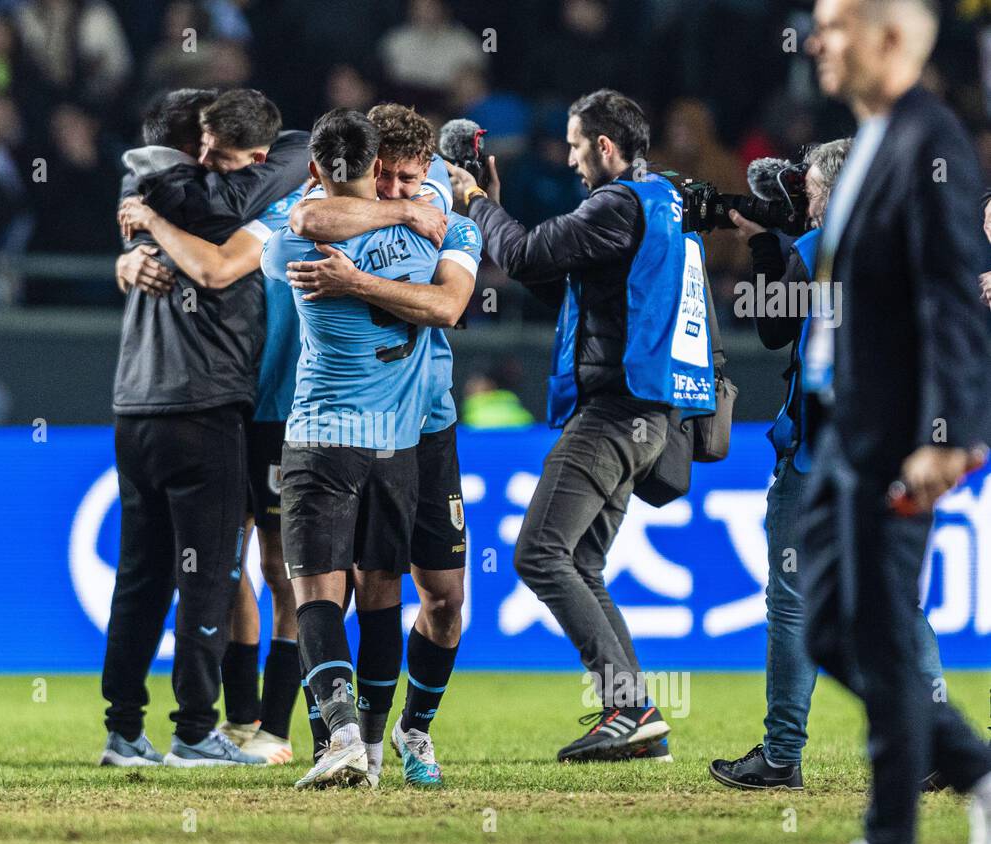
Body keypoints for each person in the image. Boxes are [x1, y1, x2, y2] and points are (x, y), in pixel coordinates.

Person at [447, 88, 717, 762]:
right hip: (649, 416)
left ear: (603, 146)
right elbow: (560, 279)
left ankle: (629, 706)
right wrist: (493, 210)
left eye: (573, 146)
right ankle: (636, 717)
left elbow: (530, 254)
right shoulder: (661, 204)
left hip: (612, 414)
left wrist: (478, 204)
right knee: (583, 562)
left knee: (538, 553)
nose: (569, 160)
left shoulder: (616, 202)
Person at [801, 0, 991, 844]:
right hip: (847, 430)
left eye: (835, 26)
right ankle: (979, 769)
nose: (817, 42)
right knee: (831, 630)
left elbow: (950, 296)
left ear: (890, 37)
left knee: (876, 628)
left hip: (900, 436)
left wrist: (947, 430)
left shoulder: (931, 140)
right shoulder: (875, 136)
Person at [710, 138, 943, 790]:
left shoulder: (818, 251)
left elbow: (770, 327)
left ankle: (782, 753)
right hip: (894, 450)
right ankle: (931, 737)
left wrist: (762, 244)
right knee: (900, 599)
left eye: (812, 189)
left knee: (791, 606)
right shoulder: (906, 250)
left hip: (818, 457)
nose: (805, 201)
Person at [262, 108, 475, 790]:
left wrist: (355, 278)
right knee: (374, 588)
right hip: (393, 437)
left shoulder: (426, 207)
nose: (402, 188)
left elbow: (445, 306)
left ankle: (382, 733)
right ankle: (359, 743)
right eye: (389, 176)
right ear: (372, 166)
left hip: (404, 427)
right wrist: (405, 217)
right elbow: (317, 220)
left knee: (431, 597)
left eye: (414, 180)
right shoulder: (424, 217)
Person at [99, 88, 308, 769]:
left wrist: (135, 246)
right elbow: (219, 268)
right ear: (197, 145)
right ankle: (196, 729)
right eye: (210, 146)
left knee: (141, 575)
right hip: (206, 407)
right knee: (209, 573)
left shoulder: (149, 193)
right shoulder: (218, 199)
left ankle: (123, 730)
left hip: (134, 407)